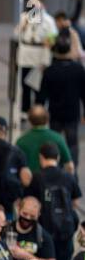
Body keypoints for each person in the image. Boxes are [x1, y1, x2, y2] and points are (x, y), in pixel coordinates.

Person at [41, 36, 85, 164]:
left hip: (55, 113)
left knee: (54, 142)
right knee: (72, 144)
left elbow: (42, 95)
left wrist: (40, 111)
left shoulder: (50, 71)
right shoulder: (78, 69)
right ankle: (72, 168)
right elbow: (84, 93)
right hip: (72, 113)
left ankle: (54, 165)